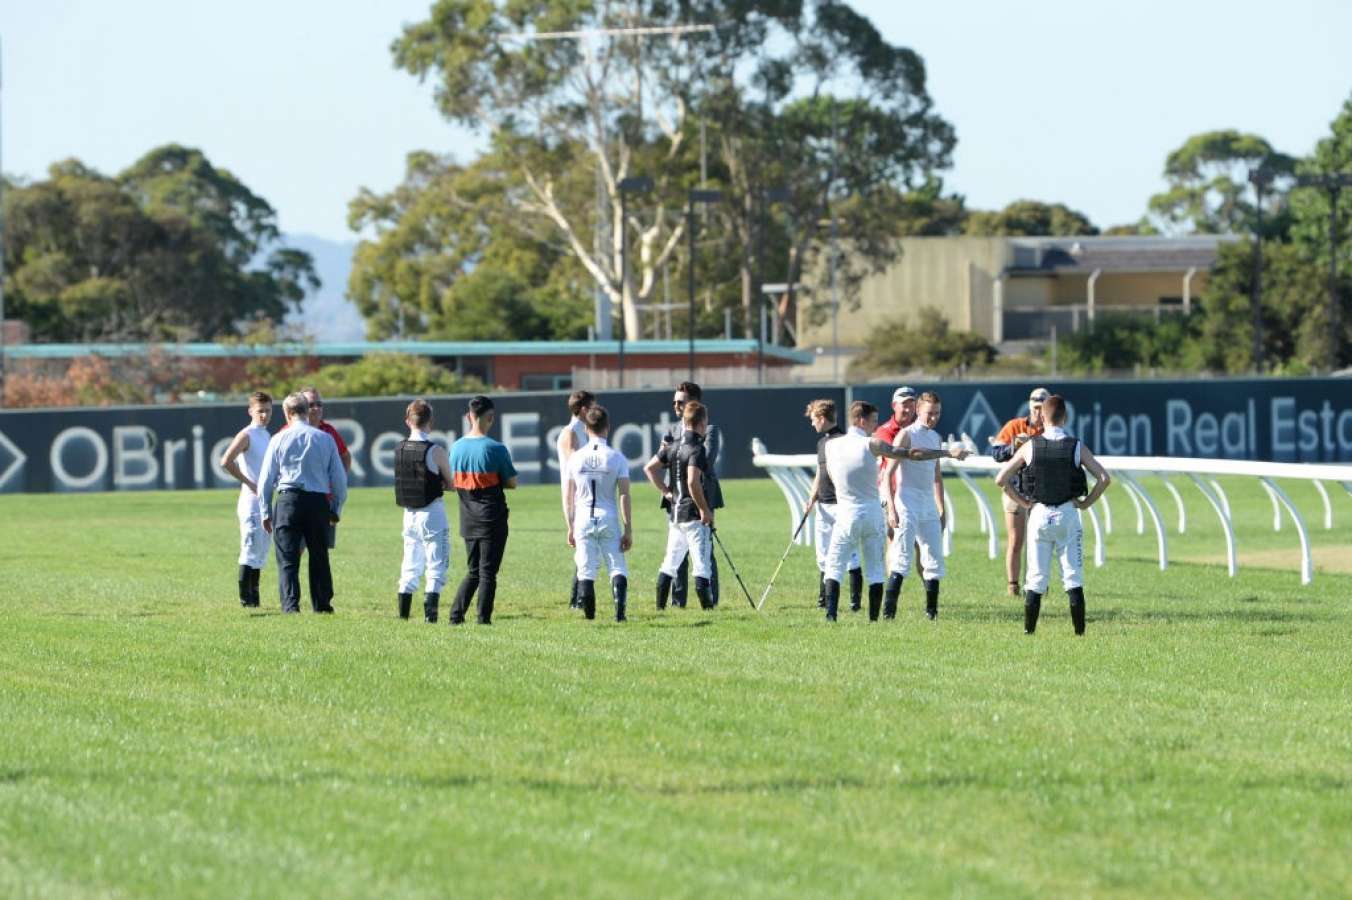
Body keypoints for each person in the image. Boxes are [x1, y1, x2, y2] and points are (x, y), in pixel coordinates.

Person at [995, 394, 1111, 636]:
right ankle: (1079, 633)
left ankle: (1029, 632)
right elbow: (1104, 478)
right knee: (1073, 577)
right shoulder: (1076, 445)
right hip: (1068, 514)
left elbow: (1001, 479)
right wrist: (1086, 503)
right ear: (1065, 417)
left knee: (1035, 578)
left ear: (1042, 416)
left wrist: (1022, 501)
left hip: (1038, 514)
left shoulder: (1030, 446)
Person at [821, 401, 919, 622]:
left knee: (834, 565)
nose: (876, 426)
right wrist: (945, 453)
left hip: (846, 512)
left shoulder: (831, 445)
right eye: (874, 421)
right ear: (861, 420)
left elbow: (831, 474)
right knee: (875, 568)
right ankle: (874, 619)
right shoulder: (872, 443)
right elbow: (906, 454)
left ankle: (831, 616)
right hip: (872, 513)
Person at [881, 391, 971, 620]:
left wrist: (942, 508)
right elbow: (892, 472)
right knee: (902, 557)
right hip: (906, 500)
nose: (933, 418)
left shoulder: (935, 437)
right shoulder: (906, 435)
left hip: (927, 503)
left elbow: (936, 476)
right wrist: (891, 508)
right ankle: (888, 613)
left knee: (933, 557)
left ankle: (932, 612)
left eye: (937, 413)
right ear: (918, 410)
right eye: (929, 413)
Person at [256, 392, 348, 614]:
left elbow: (265, 480)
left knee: (287, 557)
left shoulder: (278, 438)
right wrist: (335, 508)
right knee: (319, 556)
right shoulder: (324, 438)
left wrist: (265, 512)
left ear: (287, 413)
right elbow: (339, 481)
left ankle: (290, 606)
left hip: (288, 500)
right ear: (307, 411)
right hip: (317, 502)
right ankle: (322, 605)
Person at [649, 381, 723, 607]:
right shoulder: (671, 430)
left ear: (694, 403)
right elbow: (656, 465)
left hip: (701, 498)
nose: (676, 406)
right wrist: (666, 491)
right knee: (675, 555)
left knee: (704, 554)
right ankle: (677, 601)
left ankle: (712, 599)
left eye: (680, 402)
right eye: (674, 402)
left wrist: (678, 450)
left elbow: (706, 462)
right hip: (677, 500)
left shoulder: (709, 430)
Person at [447, 395, 518, 625]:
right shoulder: (495, 448)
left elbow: (452, 481)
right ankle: (483, 619)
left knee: (474, 570)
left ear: (469, 416)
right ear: (490, 417)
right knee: (488, 572)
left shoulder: (456, 448)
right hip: (491, 518)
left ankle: (456, 615)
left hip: (467, 518)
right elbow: (512, 482)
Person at [564, 405, 633, 622]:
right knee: (617, 565)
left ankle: (590, 617)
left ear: (586, 429)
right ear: (608, 428)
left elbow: (569, 496)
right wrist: (628, 527)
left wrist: (570, 526)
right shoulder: (617, 457)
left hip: (583, 518)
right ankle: (620, 615)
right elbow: (624, 494)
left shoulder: (575, 458)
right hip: (608, 516)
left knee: (585, 569)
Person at [394, 398, 454, 623]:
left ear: (407, 421)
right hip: (432, 513)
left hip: (408, 515)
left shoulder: (399, 448)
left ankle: (403, 616)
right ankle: (431, 617)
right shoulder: (435, 450)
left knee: (410, 566)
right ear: (431, 421)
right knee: (436, 565)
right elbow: (451, 484)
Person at [802, 399, 862, 610]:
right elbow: (820, 472)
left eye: (813, 420)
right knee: (824, 554)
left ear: (821, 418)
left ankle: (855, 602)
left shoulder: (844, 441)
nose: (812, 424)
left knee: (850, 554)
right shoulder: (821, 443)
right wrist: (812, 497)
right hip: (823, 505)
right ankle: (823, 599)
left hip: (843, 505)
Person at [990, 387, 1049, 596]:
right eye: (1034, 407)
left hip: (1041, 492)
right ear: (1029, 406)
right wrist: (1014, 447)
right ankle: (1013, 586)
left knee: (1041, 540)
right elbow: (996, 453)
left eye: (1041, 408)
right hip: (1015, 490)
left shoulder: (1052, 431)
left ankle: (1039, 584)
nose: (1037, 411)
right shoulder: (1014, 426)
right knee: (1016, 540)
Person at [219, 391, 273, 608]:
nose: (264, 415)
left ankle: (255, 596)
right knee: (249, 547)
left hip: (266, 500)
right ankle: (245, 599)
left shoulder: (267, 435)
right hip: (251, 502)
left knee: (261, 549)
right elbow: (226, 461)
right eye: (260, 411)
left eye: (268, 411)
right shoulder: (247, 434)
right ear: (251, 411)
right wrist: (249, 482)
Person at [557, 390, 596, 610]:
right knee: (584, 550)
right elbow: (575, 468)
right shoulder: (570, 432)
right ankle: (577, 600)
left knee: (588, 550)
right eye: (593, 406)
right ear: (583, 409)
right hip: (575, 497)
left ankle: (579, 599)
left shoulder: (585, 430)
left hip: (588, 496)